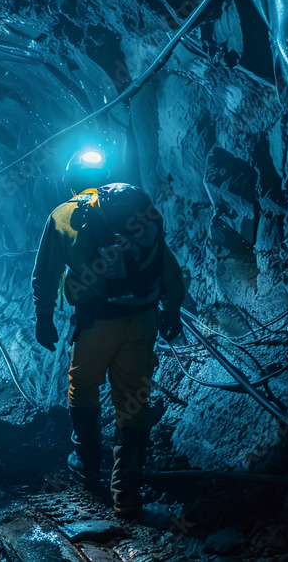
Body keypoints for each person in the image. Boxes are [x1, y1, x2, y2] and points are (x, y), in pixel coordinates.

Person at [31, 150, 186, 518]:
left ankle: (87, 465)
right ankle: (127, 495)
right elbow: (165, 259)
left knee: (82, 384)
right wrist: (172, 308)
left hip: (99, 321)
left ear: (69, 181)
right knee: (133, 400)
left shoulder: (63, 214)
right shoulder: (134, 206)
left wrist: (44, 316)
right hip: (143, 318)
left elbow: (47, 273)